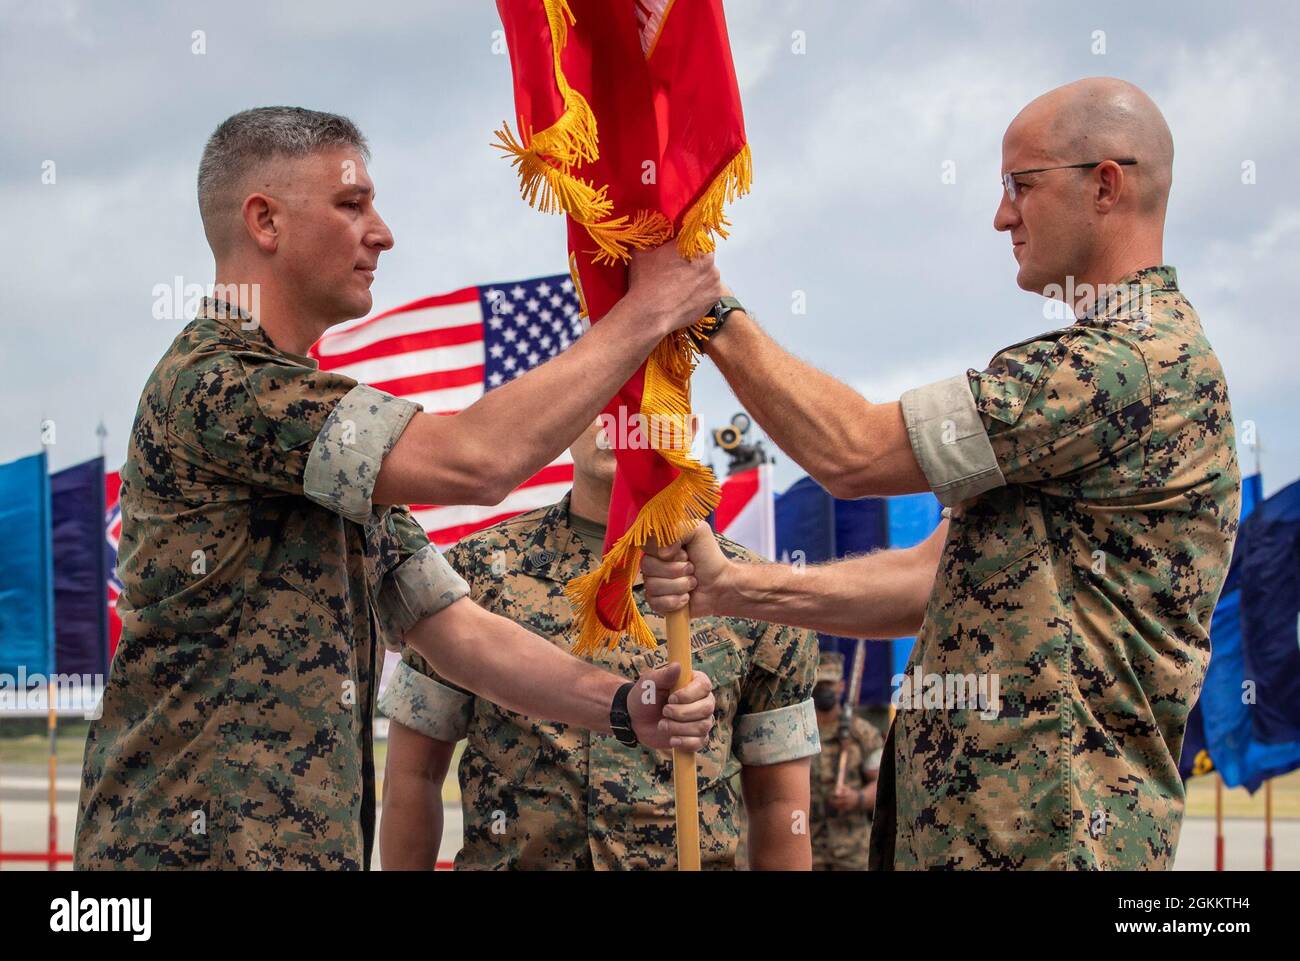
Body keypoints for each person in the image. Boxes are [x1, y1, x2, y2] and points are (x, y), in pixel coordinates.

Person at [76, 106, 724, 870]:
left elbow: (451, 628)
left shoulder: (305, 423)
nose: (381, 232)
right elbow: (476, 462)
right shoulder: (218, 385)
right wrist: (644, 313)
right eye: (352, 205)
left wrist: (621, 705)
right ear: (265, 221)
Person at [641, 78, 1241, 869]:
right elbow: (931, 584)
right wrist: (733, 590)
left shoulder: (1123, 367)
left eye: (1020, 185)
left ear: (1106, 184)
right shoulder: (1102, 375)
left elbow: (852, 452)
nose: (1002, 215)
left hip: (1052, 845)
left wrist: (701, 306)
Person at [378, 418, 820, 870]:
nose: (622, 420)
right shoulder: (475, 575)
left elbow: (780, 806)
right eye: (603, 401)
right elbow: (413, 776)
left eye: (643, 400)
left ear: (685, 429)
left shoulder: (752, 597)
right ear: (569, 420)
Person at [808, 652, 882, 871]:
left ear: (841, 686)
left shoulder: (861, 733)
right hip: (809, 852)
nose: (824, 690)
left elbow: (883, 784)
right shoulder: (798, 733)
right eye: (819, 684)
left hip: (852, 854)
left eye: (829, 684)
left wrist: (857, 798)